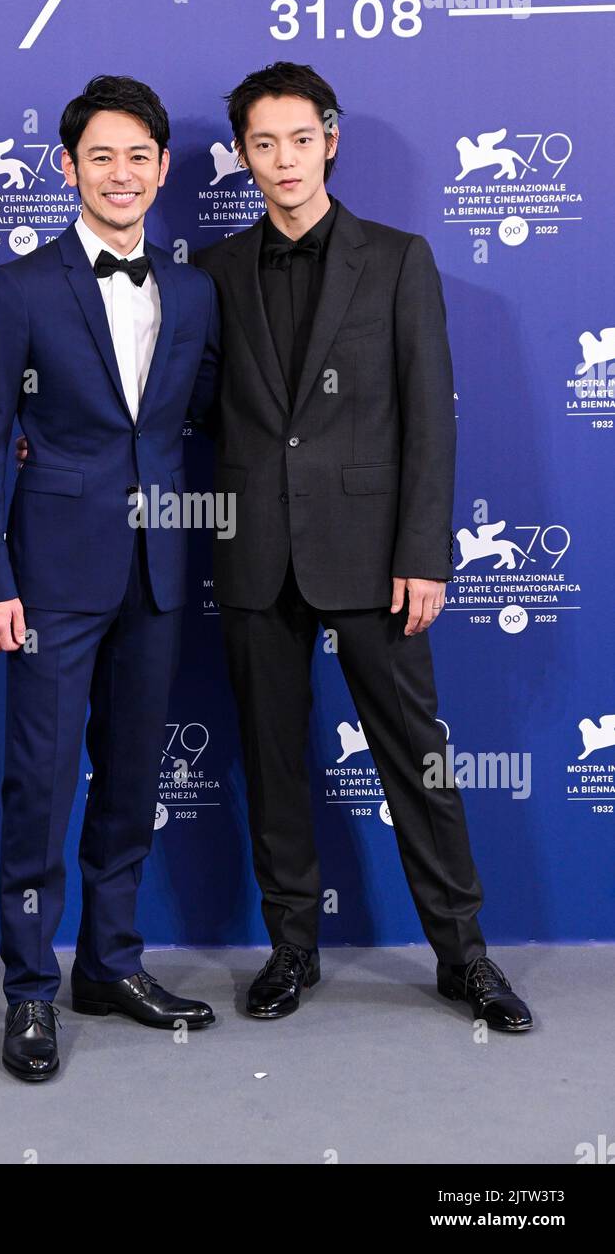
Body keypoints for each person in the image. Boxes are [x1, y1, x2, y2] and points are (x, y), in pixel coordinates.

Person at [192, 62, 533, 1032]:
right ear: (243, 155)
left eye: (299, 138)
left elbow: (430, 419)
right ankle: (290, 949)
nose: (282, 159)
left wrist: (423, 552)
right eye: (262, 143)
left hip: (376, 555)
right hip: (254, 551)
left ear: (328, 139)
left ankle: (461, 955)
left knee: (416, 757)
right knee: (271, 759)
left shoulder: (397, 259)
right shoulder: (211, 274)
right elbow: (179, 407)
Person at [0, 75, 220, 1082]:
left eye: (138, 156)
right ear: (67, 168)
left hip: (157, 567)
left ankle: (109, 964)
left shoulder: (192, 290)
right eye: (99, 156)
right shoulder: (18, 288)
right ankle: (30, 992)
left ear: (162, 168)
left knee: (131, 784)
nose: (121, 173)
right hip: (49, 579)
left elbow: (196, 423)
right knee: (41, 787)